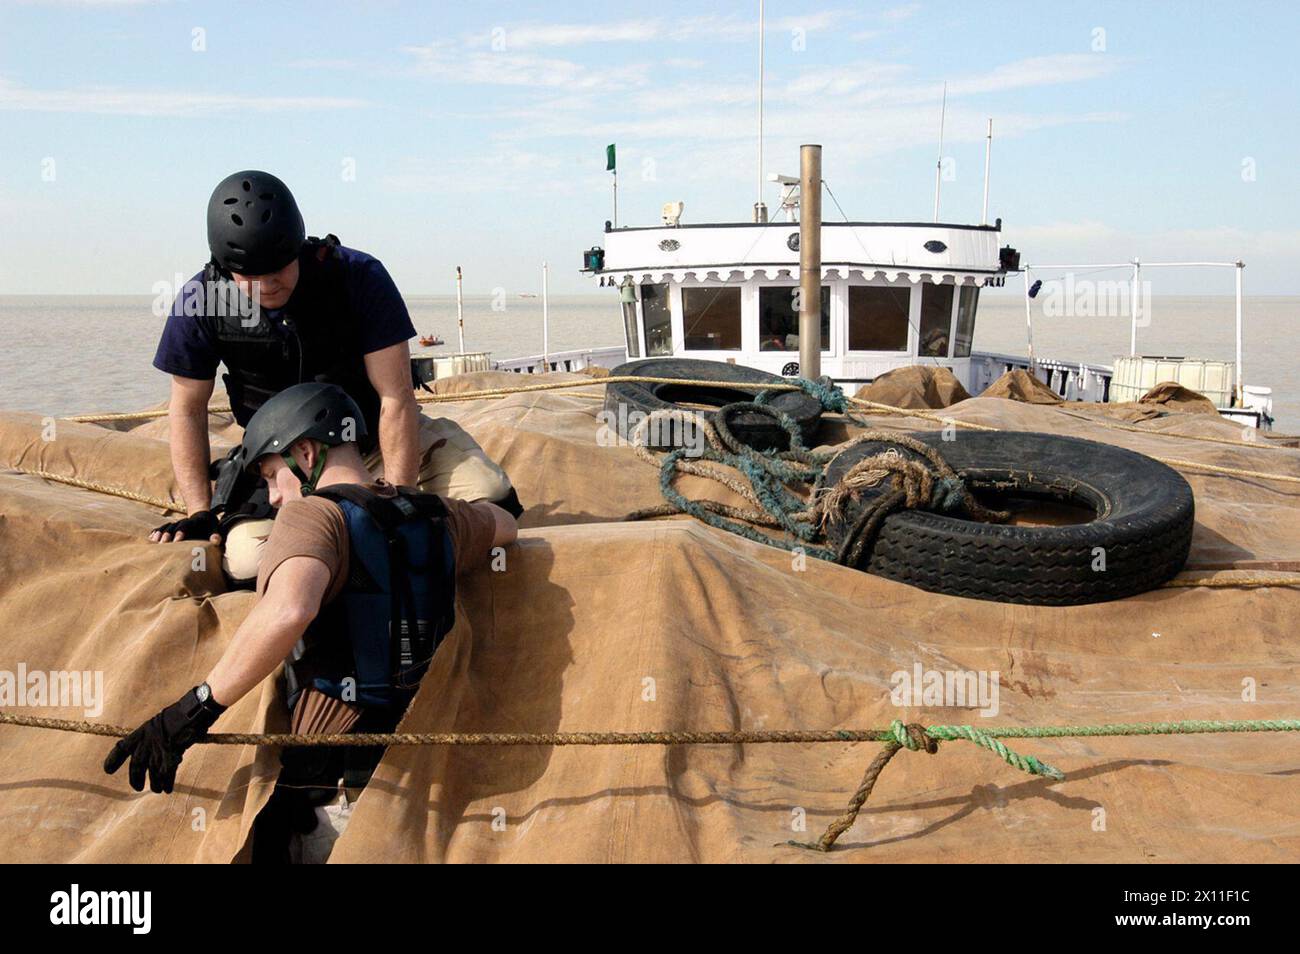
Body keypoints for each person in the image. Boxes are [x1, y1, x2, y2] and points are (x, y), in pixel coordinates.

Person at [105, 383, 517, 859]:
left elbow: (290, 611)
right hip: (428, 768)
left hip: (334, 786)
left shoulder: (312, 516)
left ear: (305, 453)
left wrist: (191, 711)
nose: (273, 499)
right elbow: (504, 524)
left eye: (272, 476)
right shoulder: (436, 514)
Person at [148, 170, 519, 583]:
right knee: (250, 562)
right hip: (280, 464)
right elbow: (187, 410)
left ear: (298, 247)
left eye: (279, 268)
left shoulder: (359, 276)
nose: (268, 284)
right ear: (223, 267)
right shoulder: (201, 301)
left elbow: (395, 396)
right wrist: (199, 511)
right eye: (251, 276)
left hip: (374, 442)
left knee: (490, 494)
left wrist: (397, 501)